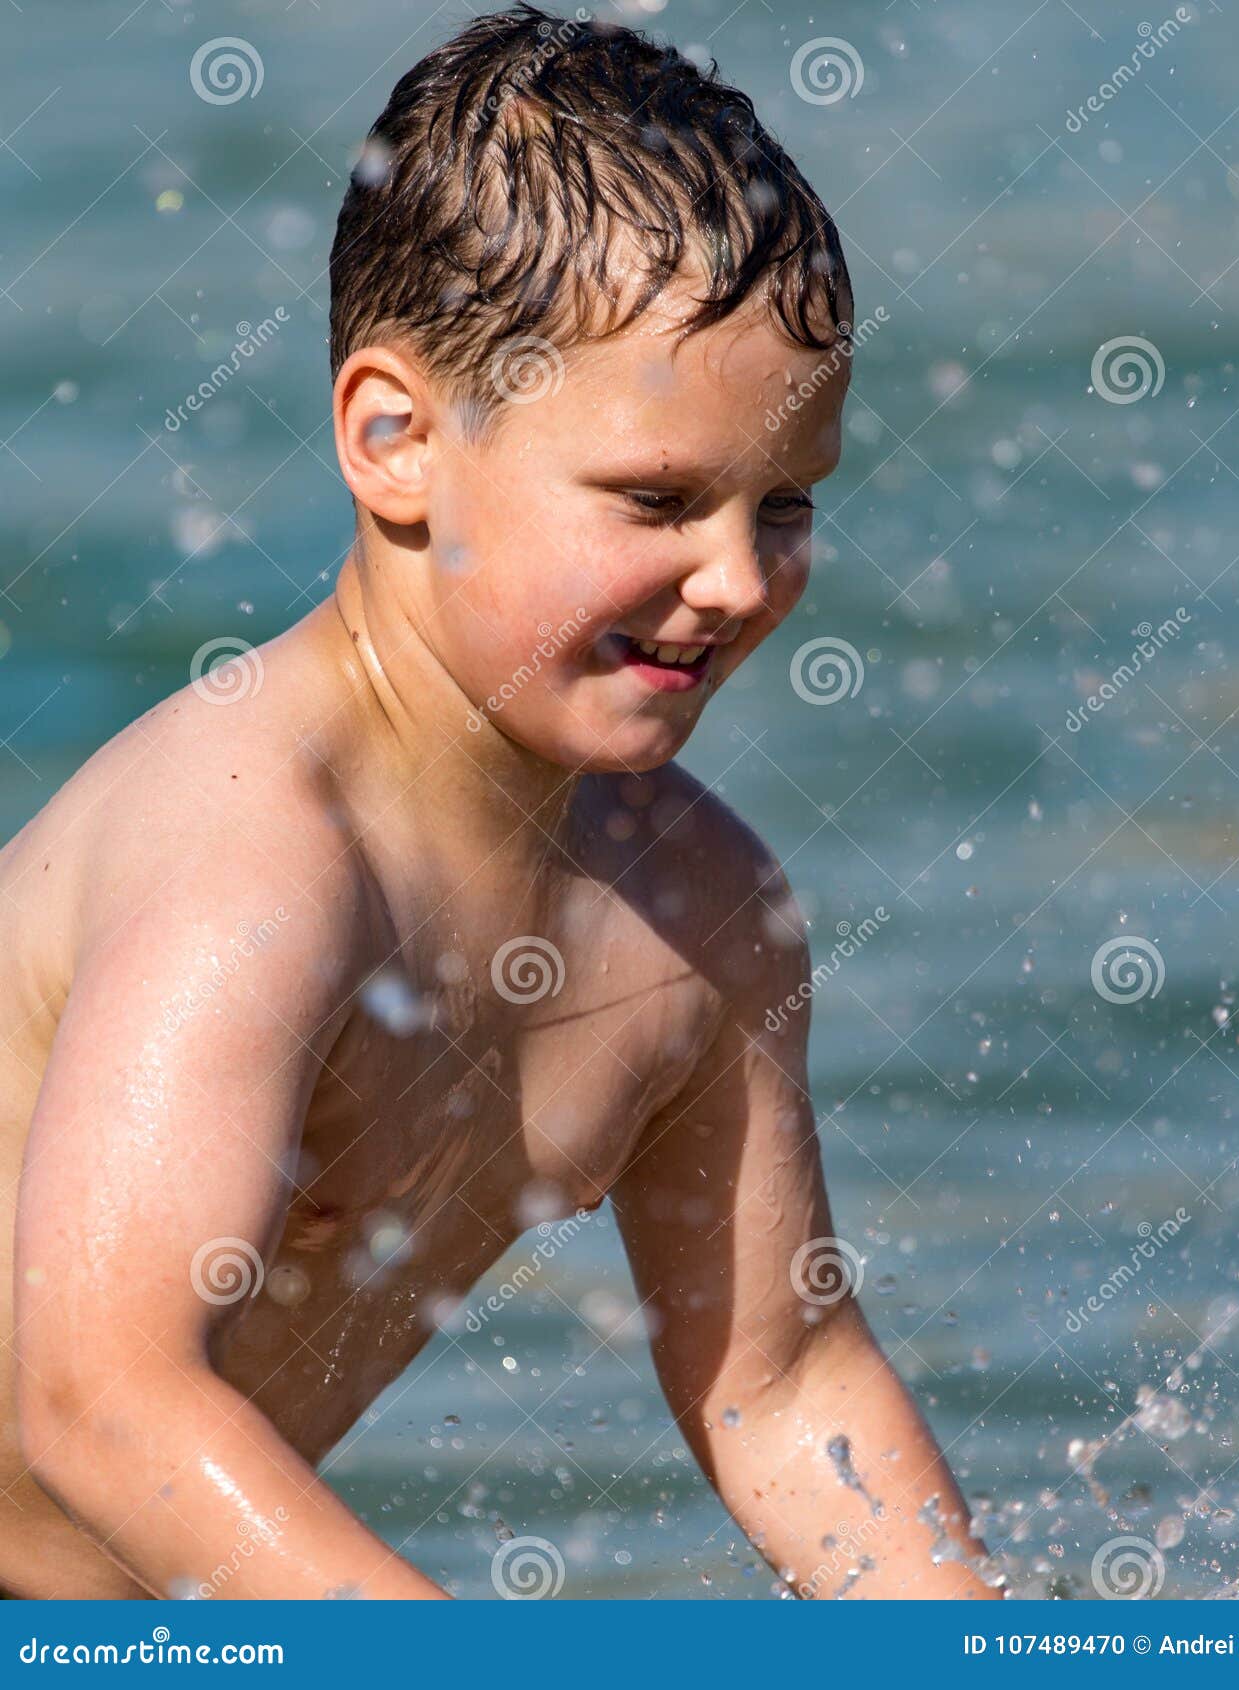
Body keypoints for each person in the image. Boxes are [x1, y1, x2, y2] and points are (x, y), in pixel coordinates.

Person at [0, 3, 1000, 1600]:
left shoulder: (699, 921)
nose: (738, 579)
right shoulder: (252, 862)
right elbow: (98, 1399)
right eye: (658, 500)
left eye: (787, 500)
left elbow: (784, 1384)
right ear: (394, 437)